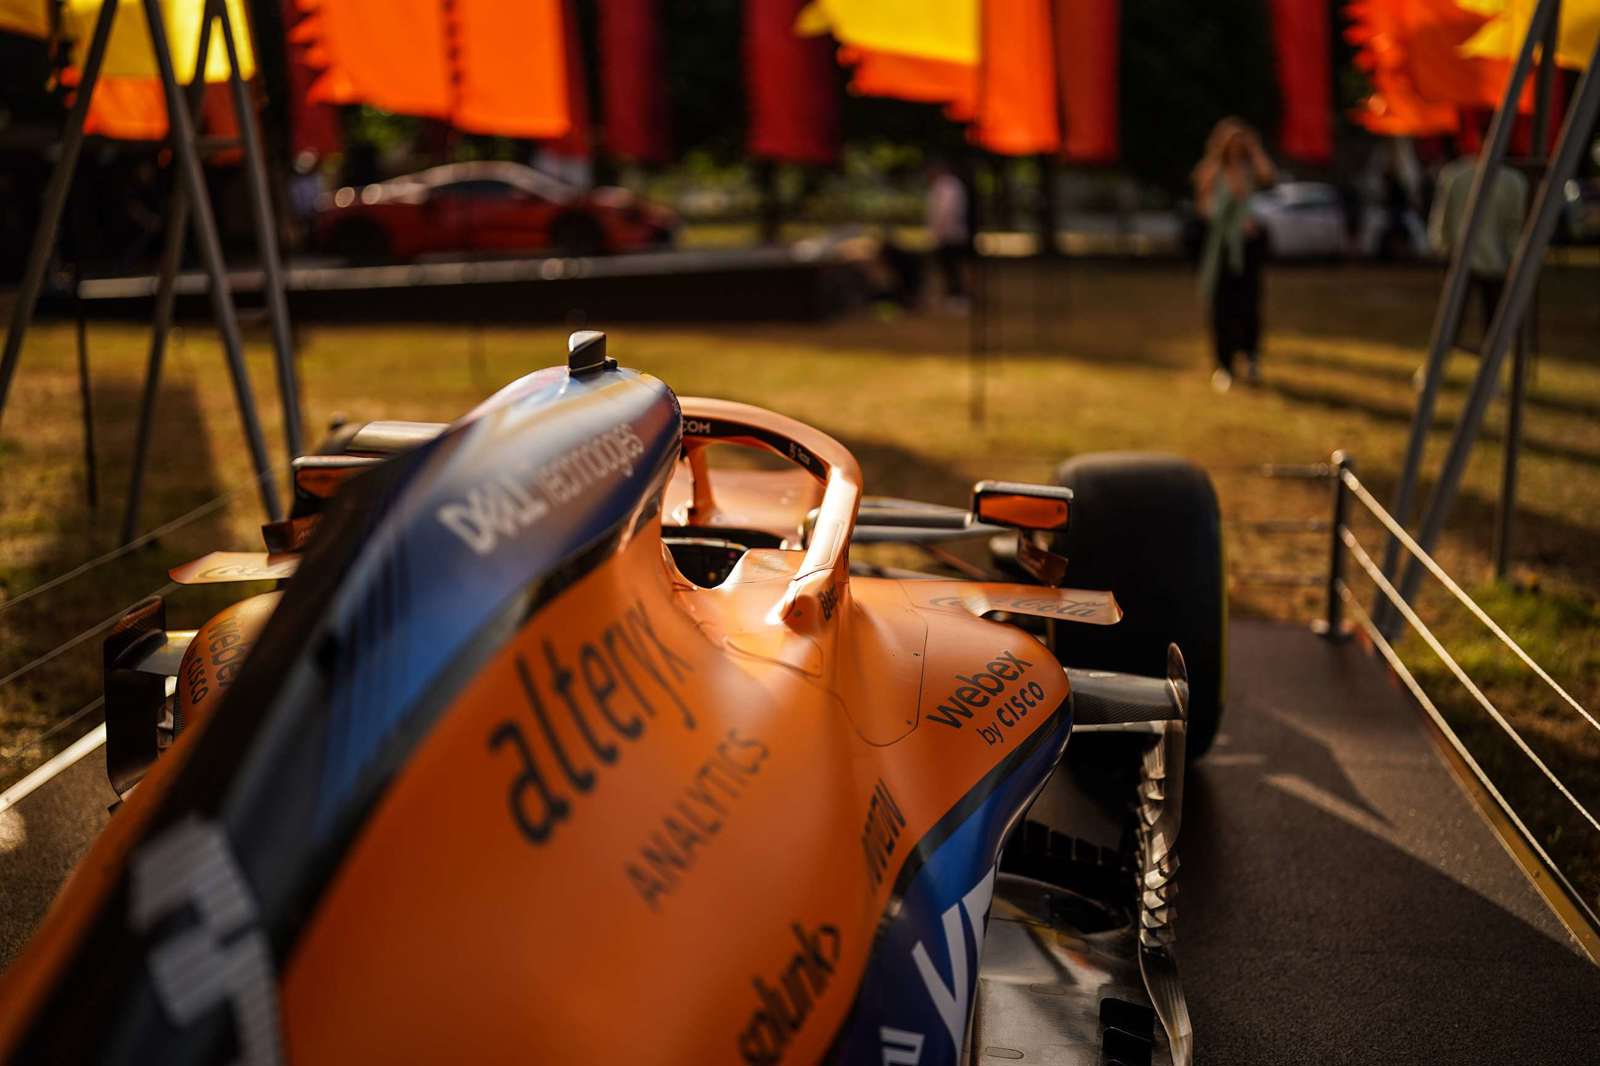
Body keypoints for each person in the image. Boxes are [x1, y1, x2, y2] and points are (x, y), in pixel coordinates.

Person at [1193, 119, 1276, 391]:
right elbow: (1203, 205)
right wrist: (1225, 218)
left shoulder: (1250, 169)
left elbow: (1269, 175)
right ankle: (1225, 364)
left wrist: (1254, 147)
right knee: (1222, 308)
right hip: (1222, 248)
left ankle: (1250, 357)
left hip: (1247, 248)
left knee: (1249, 304)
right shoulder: (1213, 170)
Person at [1428, 152, 1527, 348]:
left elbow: (1442, 219)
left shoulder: (1456, 174)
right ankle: (1442, 363)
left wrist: (1441, 246)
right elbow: (1514, 226)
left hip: (1469, 258)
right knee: (1472, 318)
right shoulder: (1513, 181)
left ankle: (1440, 363)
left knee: (1458, 317)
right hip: (1489, 259)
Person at [926, 157, 970, 309]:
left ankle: (957, 296)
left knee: (952, 267)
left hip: (949, 234)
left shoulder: (947, 186)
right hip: (948, 234)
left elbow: (946, 211)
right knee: (949, 267)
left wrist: (939, 231)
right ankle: (953, 295)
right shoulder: (945, 185)